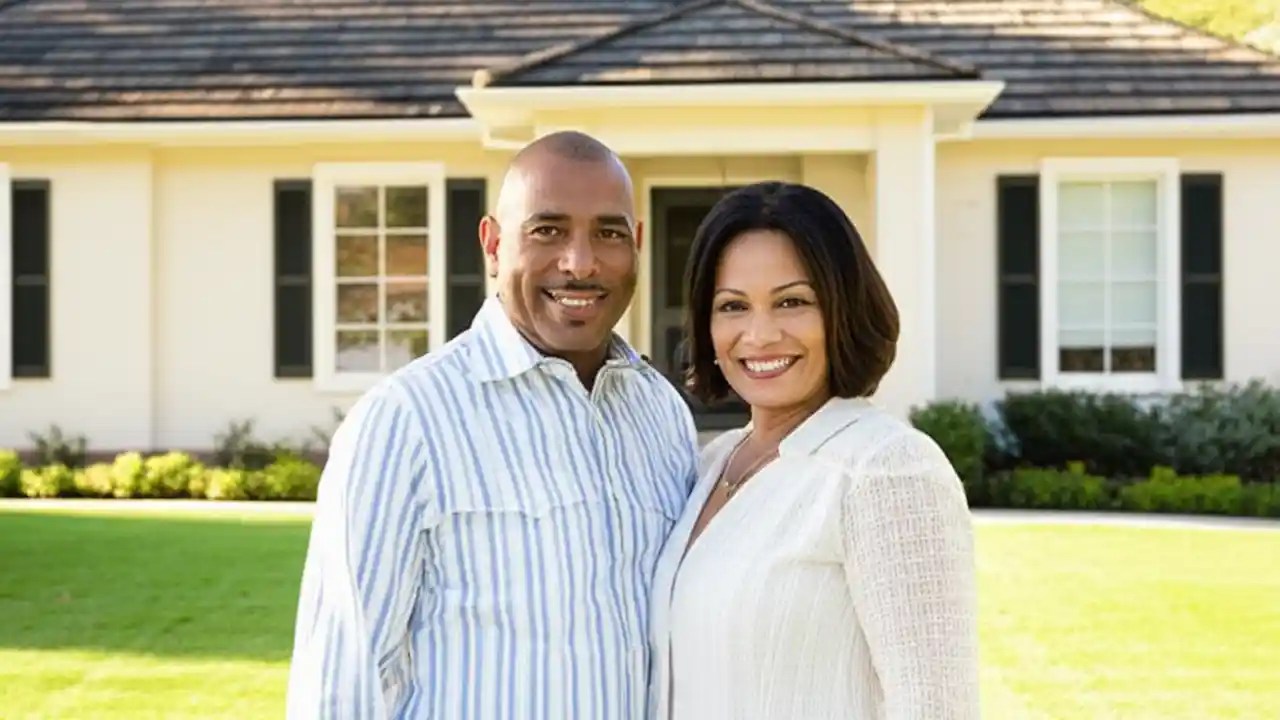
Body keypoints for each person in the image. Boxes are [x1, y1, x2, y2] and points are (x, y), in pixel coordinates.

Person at [286, 131, 699, 719]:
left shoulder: (662, 417)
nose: (579, 263)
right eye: (547, 230)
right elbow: (341, 682)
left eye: (607, 233)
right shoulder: (406, 421)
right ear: (494, 243)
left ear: (636, 244)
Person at [648, 181, 980, 719]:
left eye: (792, 302)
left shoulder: (886, 470)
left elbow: (937, 707)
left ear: (843, 310)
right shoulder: (711, 465)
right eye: (733, 306)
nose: (759, 335)